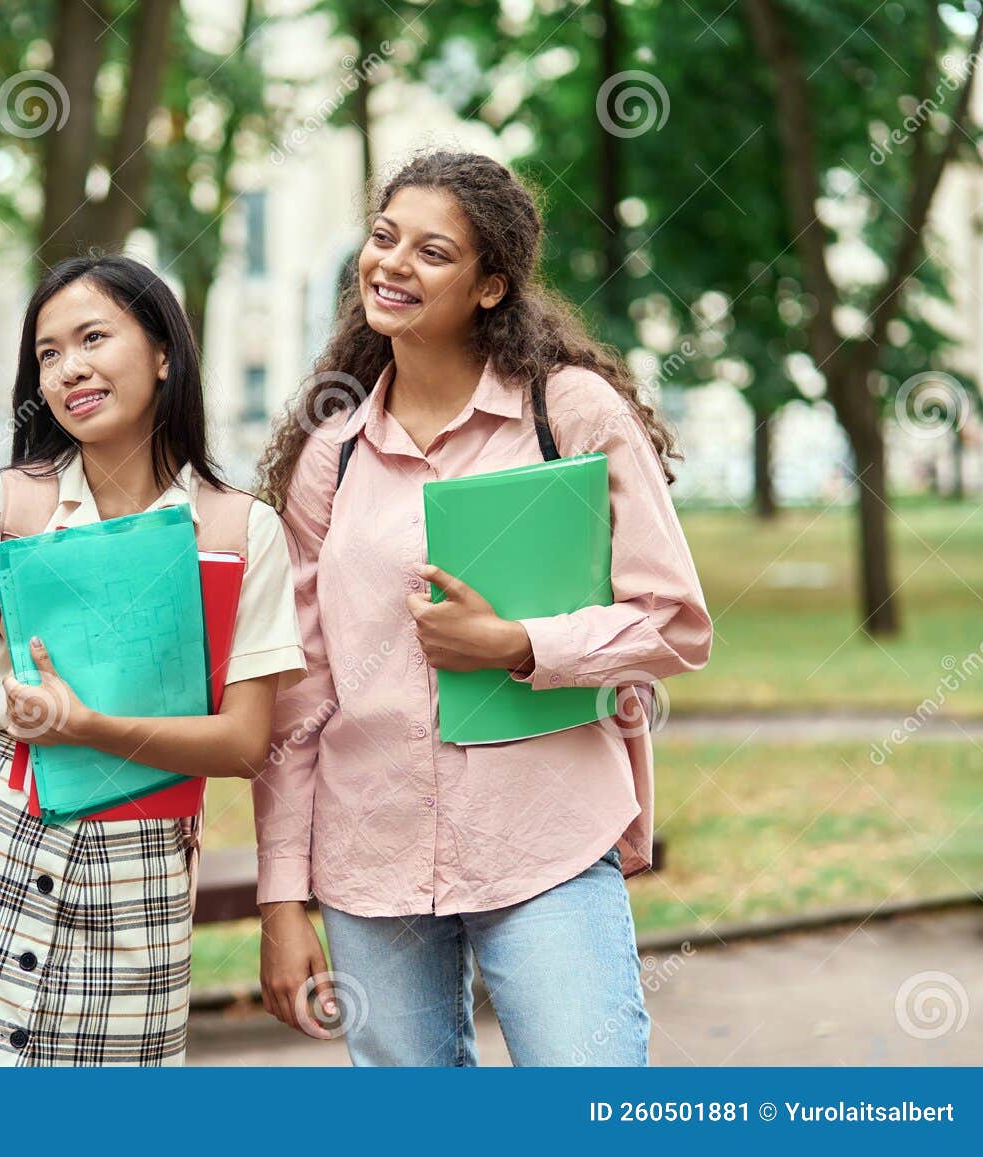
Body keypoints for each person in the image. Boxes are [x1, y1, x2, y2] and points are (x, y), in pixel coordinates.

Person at [253, 150, 713, 1066]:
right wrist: (280, 899)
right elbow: (298, 698)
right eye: (384, 238)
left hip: (540, 837)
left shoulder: (567, 415)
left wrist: (518, 643)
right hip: (368, 857)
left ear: (492, 285)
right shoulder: (330, 454)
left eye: (432, 252)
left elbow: (674, 620)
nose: (392, 264)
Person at [0, 255, 305, 1066]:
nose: (70, 369)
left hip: (137, 870)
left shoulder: (242, 533)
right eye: (48, 353)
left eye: (93, 338)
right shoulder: (1, 505)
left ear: (164, 351)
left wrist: (89, 725)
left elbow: (245, 743)